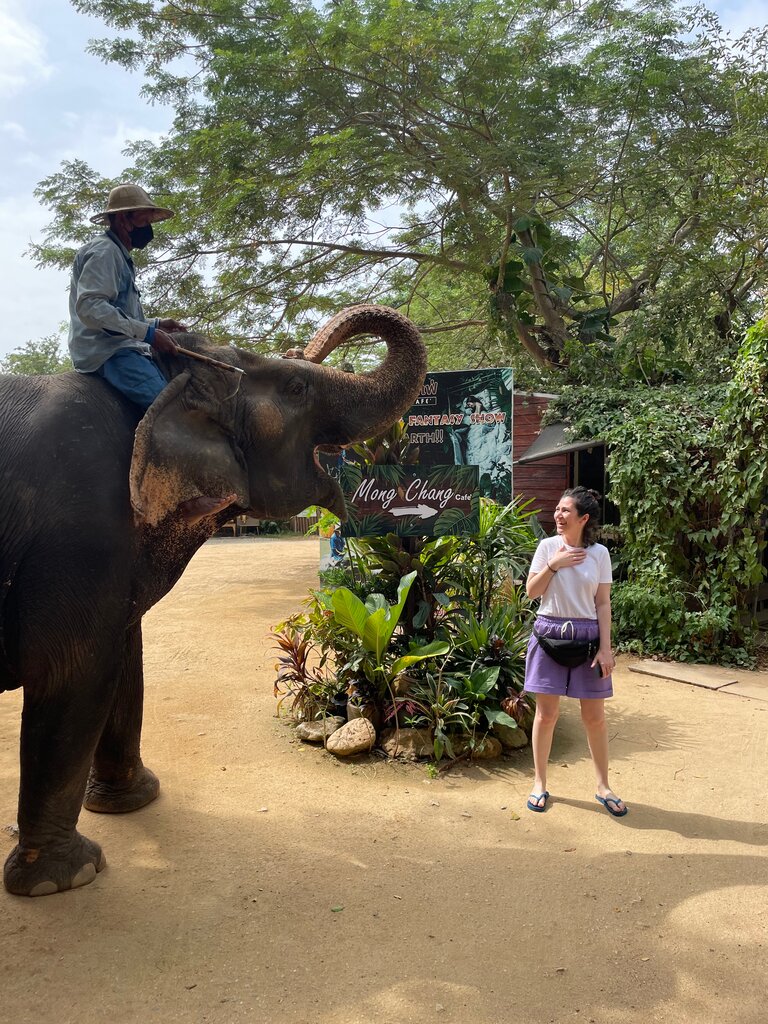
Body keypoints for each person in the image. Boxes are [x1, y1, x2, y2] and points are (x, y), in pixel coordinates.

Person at [68, 182, 235, 526]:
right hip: (109, 351)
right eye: (145, 220)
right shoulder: (104, 252)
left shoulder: (120, 254)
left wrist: (157, 323)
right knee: (170, 410)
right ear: (125, 221)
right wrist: (147, 333)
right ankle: (183, 496)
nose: (149, 228)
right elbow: (91, 308)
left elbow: (119, 310)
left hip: (123, 343)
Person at [523, 487, 627, 817]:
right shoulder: (546, 548)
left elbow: (603, 603)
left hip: (588, 639)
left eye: (565, 511)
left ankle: (603, 786)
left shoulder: (599, 555)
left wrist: (606, 649)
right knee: (546, 715)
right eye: (557, 509)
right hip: (548, 633)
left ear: (583, 519)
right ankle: (539, 783)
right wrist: (554, 565)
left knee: (594, 718)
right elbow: (530, 592)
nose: (558, 515)